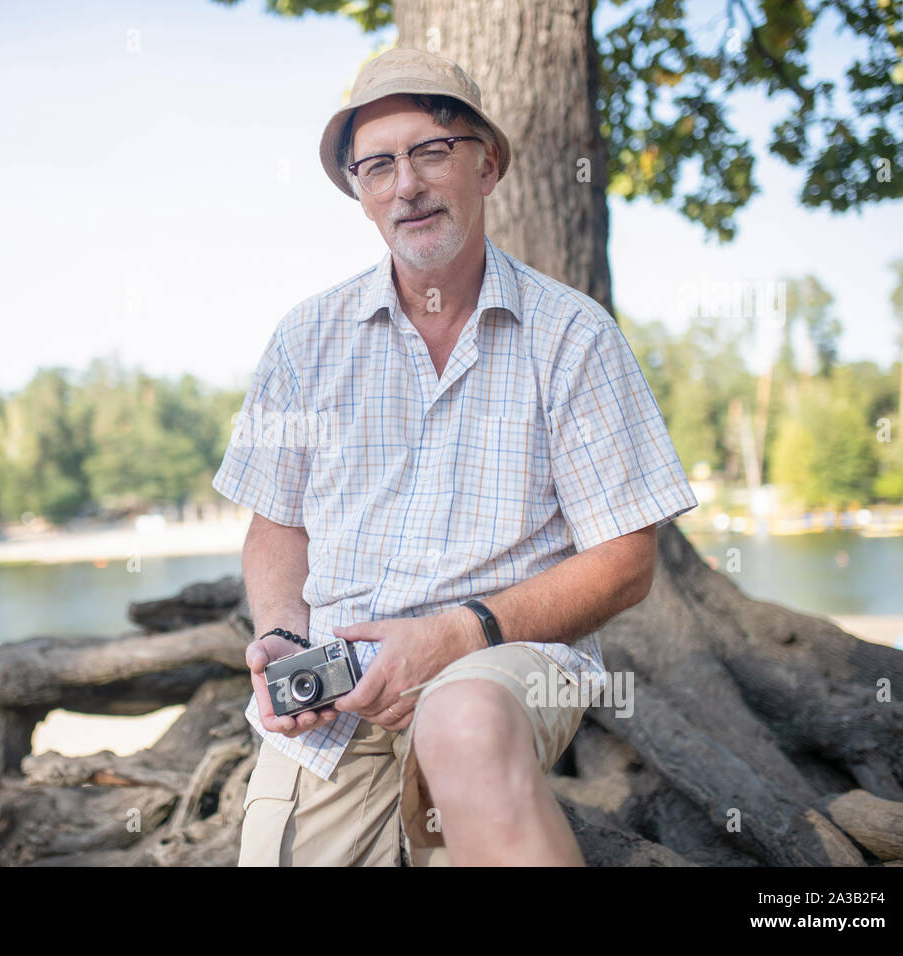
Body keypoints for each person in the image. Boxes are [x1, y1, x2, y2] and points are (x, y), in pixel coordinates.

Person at [211, 47, 697, 866]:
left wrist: (455, 635)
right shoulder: (304, 339)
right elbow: (276, 527)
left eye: (431, 151)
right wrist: (285, 636)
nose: (407, 184)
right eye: (378, 166)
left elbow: (626, 562)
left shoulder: (574, 336)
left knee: (463, 719)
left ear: (488, 164)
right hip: (341, 697)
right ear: (361, 195)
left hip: (508, 664)